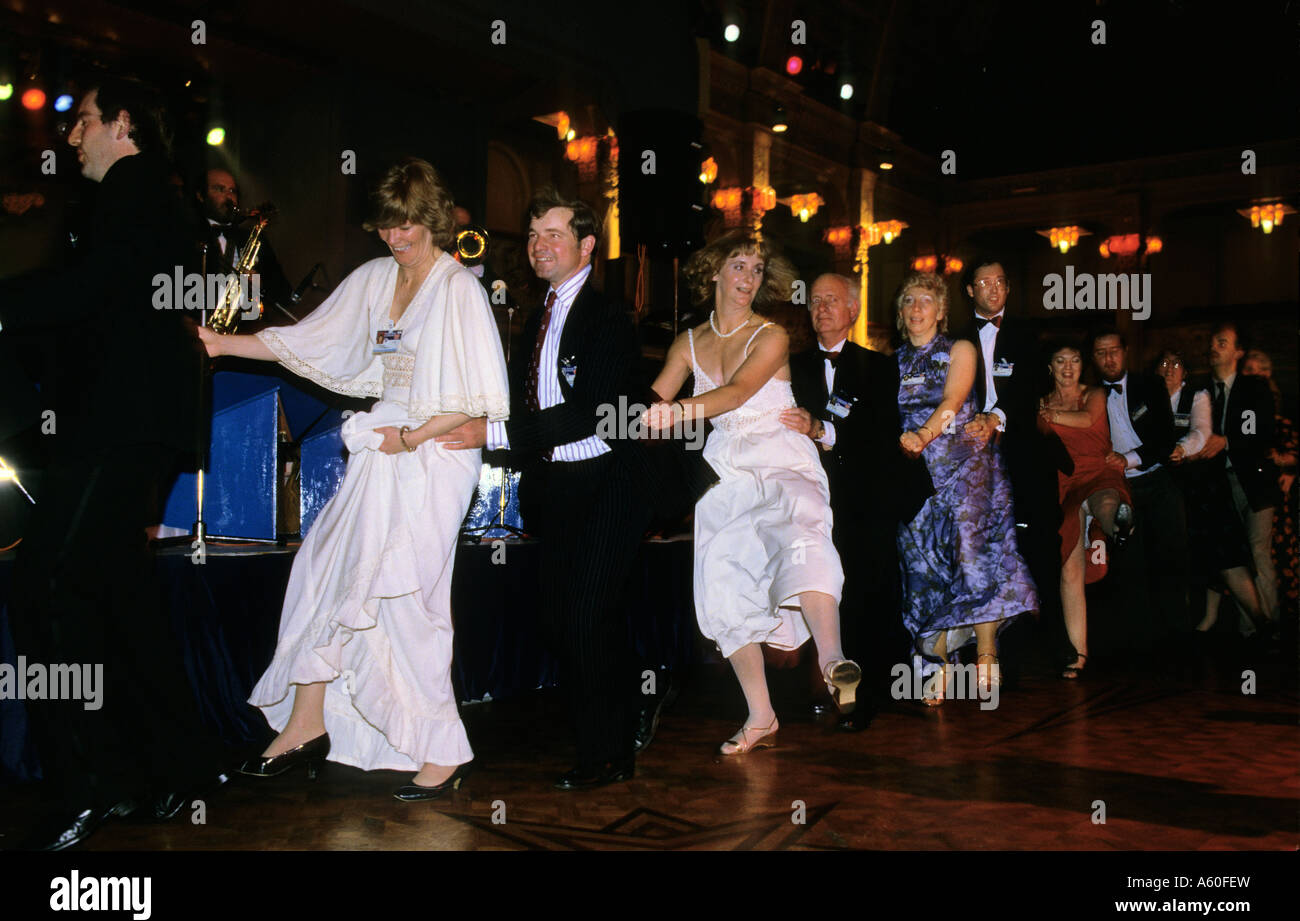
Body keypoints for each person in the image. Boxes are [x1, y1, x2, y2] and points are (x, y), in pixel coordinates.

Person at [198, 158, 509, 800]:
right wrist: (222, 344)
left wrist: (412, 437)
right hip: (382, 447)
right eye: (387, 228)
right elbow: (308, 341)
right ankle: (308, 723)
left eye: (408, 229)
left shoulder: (459, 290)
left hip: (434, 453)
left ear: (433, 222)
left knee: (407, 600)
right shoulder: (374, 279)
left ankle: (443, 750)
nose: (396, 240)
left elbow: (482, 400)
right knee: (326, 569)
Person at [0, 77, 226, 850]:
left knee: (46, 580)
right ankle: (178, 766)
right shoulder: (152, 197)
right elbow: (103, 299)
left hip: (121, 424)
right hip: (137, 423)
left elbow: (92, 291)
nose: (72, 137)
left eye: (85, 122)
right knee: (115, 592)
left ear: (124, 123)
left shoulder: (135, 192)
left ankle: (94, 782)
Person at [437, 188, 710, 789]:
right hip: (558, 482)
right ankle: (642, 686)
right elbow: (525, 397)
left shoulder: (609, 317)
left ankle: (605, 754)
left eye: (553, 235)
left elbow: (589, 411)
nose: (539, 247)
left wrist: (495, 431)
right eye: (533, 236)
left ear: (586, 245)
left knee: (585, 616)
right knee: (562, 619)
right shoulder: (537, 317)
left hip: (614, 480)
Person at [642, 230, 859, 754]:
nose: (748, 278)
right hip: (728, 469)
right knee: (721, 582)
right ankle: (760, 715)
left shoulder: (772, 335)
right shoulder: (687, 342)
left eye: (757, 270)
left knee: (803, 535)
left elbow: (737, 392)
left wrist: (679, 411)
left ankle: (833, 663)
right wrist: (629, 418)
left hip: (780, 452)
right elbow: (652, 398)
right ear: (714, 271)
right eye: (739, 266)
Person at [785, 273, 931, 730]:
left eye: (831, 301)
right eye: (815, 301)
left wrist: (822, 431)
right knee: (810, 587)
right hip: (806, 495)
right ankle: (812, 686)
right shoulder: (789, 366)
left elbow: (877, 436)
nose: (822, 308)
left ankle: (862, 694)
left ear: (852, 310)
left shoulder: (878, 367)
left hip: (863, 498)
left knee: (867, 593)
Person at [894, 272, 1036, 704]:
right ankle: (936, 661)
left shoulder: (959, 348)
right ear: (901, 314)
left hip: (967, 468)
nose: (916, 308)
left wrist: (923, 435)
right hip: (915, 475)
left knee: (973, 556)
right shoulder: (893, 361)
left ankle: (987, 653)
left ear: (941, 311)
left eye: (925, 301)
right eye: (909, 301)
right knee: (922, 567)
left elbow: (954, 400)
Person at [958, 260, 1064, 633]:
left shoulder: (1027, 333)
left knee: (1039, 543)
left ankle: (1055, 634)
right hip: (971, 453)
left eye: (1001, 281)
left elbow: (1034, 382)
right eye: (985, 282)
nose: (994, 288)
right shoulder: (956, 338)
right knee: (981, 547)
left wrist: (997, 416)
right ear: (970, 290)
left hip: (1022, 448)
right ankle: (991, 641)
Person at [1155, 349, 1270, 637]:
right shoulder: (1147, 400)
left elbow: (1202, 432)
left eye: (1177, 363)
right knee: (1181, 560)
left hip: (1204, 489)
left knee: (1227, 556)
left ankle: (1263, 622)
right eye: (1165, 363)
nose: (1170, 369)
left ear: (1185, 371)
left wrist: (1182, 450)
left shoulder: (1197, 395)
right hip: (1167, 490)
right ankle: (1184, 628)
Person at [1036, 342, 1132, 678]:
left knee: (1105, 500)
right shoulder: (1041, 403)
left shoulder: (1094, 394)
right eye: (1060, 360)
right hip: (1066, 483)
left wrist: (1052, 416)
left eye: (1075, 360)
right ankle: (1078, 655)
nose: (1067, 367)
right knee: (1070, 570)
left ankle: (1119, 527)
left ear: (1082, 365)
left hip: (1098, 470)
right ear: (1050, 366)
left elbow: (1088, 419)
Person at [1090, 330, 1187, 654]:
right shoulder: (1089, 396)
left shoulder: (1150, 386)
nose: (1108, 358)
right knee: (1129, 567)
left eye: (1113, 351)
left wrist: (1126, 459)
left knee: (1170, 561)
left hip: (1156, 481)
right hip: (1119, 489)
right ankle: (1139, 645)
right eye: (1101, 352)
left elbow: (1164, 441)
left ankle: (1178, 640)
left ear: (1126, 351)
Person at [1200, 323, 1279, 630]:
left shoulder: (1253, 389)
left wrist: (1227, 441)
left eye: (1222, 342)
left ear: (1238, 352)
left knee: (1258, 553)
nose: (1214, 347)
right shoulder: (1202, 390)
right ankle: (1252, 631)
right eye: (1213, 342)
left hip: (1255, 483)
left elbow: (1262, 434)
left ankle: (1270, 626)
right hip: (1219, 486)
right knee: (1236, 556)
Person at [1242, 350, 1297, 632]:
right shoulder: (1240, 403)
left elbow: (1289, 451)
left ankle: (1272, 621)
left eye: (1254, 370)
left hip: (1273, 494)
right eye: (1246, 370)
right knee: (1251, 555)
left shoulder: (1276, 413)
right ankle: (1254, 622)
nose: (1249, 376)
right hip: (1249, 488)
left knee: (1268, 555)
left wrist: (1285, 465)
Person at [195, 166, 292, 323]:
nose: (229, 197)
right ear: (200, 195)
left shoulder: (253, 238)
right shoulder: (186, 235)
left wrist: (260, 283)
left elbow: (284, 293)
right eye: (219, 189)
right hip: (201, 329)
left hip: (246, 330)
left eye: (233, 191)